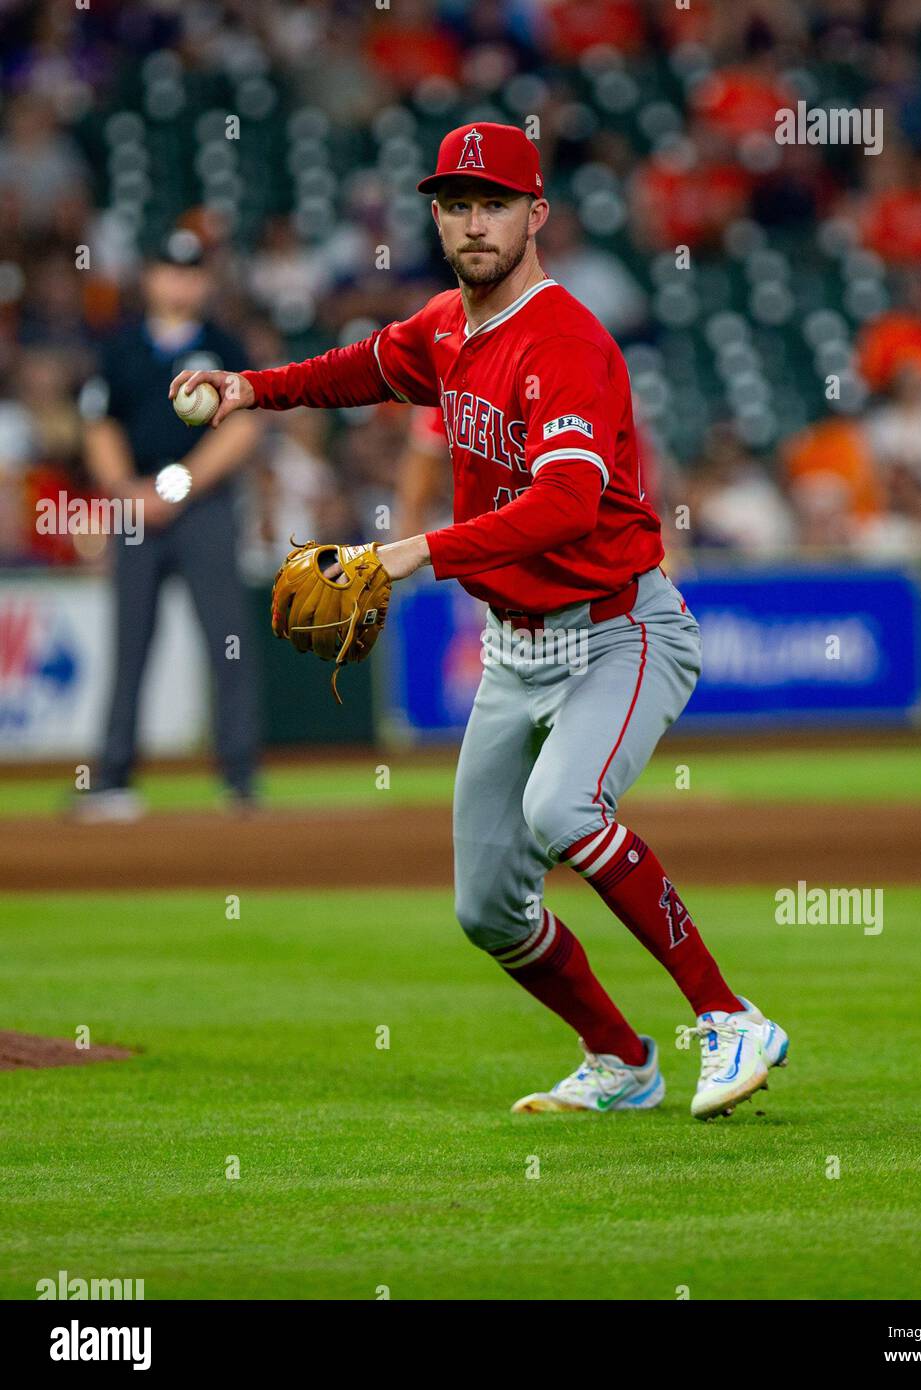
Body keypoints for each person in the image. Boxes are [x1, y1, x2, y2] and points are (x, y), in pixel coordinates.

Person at [172, 124, 789, 1120]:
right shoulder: (447, 327)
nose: (472, 221)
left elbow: (568, 506)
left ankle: (728, 1017)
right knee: (486, 909)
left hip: (620, 626)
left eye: (492, 202)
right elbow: (364, 365)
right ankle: (621, 1060)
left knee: (564, 811)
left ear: (535, 213)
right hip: (516, 649)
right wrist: (251, 388)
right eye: (454, 204)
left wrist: (418, 549)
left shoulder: (567, 342)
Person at [78, 229, 261, 819]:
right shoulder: (120, 347)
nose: (181, 281)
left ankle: (238, 778)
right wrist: (129, 491)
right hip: (136, 509)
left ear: (204, 280)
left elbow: (243, 427)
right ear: (151, 278)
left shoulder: (227, 346)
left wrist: (174, 486)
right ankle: (113, 778)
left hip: (201, 508)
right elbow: (99, 425)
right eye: (170, 270)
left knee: (226, 639)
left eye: (191, 271)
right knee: (129, 644)